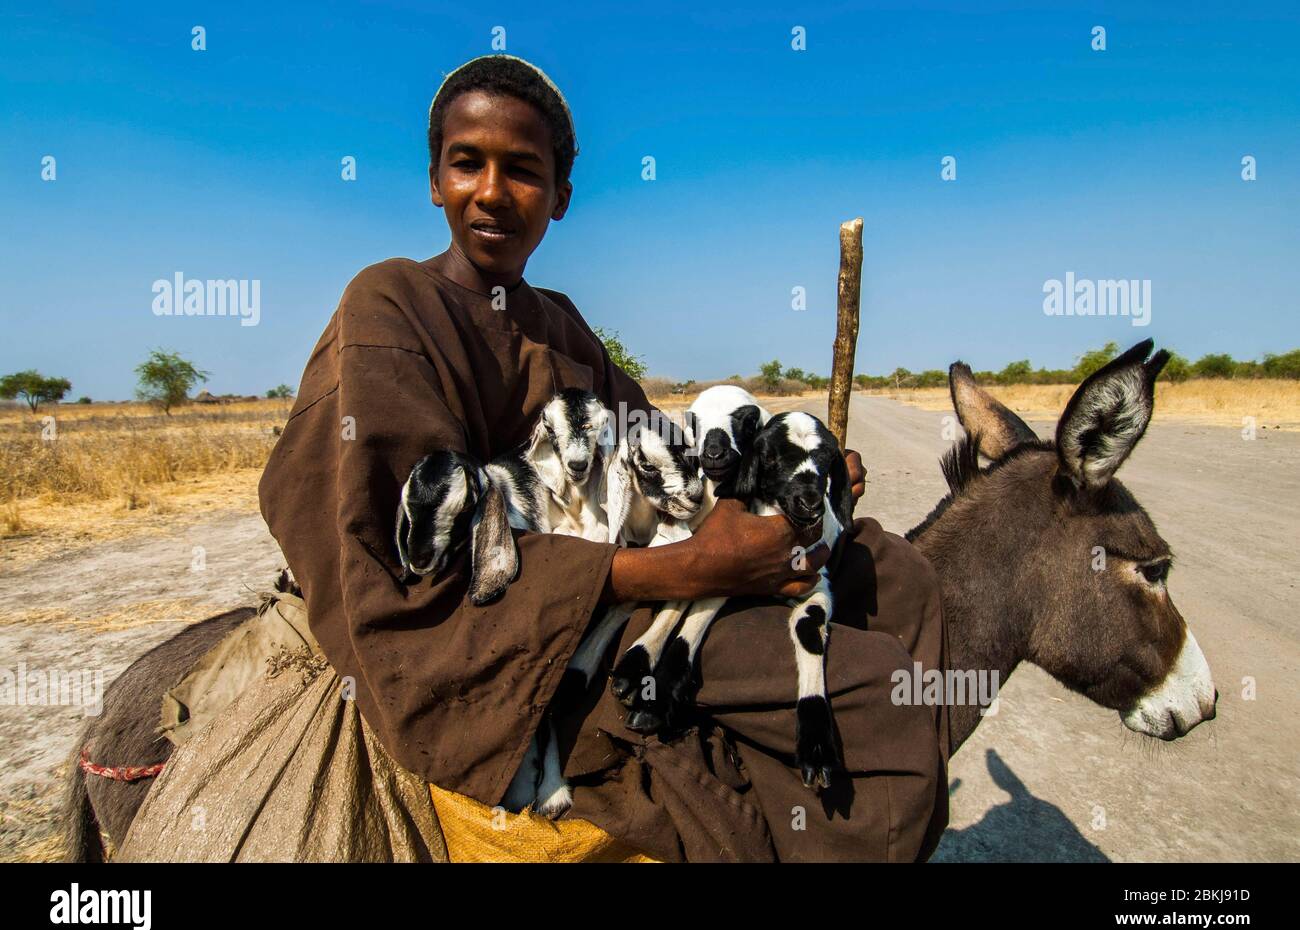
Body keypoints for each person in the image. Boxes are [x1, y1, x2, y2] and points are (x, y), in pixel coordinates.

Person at [258, 54, 951, 862]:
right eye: (466, 163)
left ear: (561, 195)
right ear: (434, 180)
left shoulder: (559, 322)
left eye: (521, 170)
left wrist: (793, 460)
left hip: (626, 575)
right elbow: (413, 560)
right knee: (870, 692)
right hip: (515, 625)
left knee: (900, 574)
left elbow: (664, 445)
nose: (490, 190)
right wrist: (693, 571)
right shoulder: (391, 301)